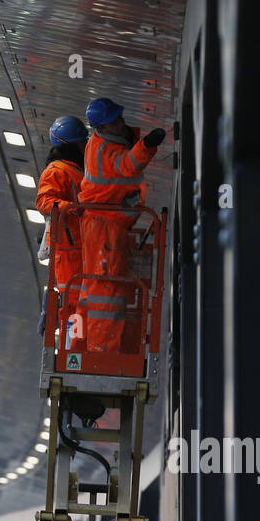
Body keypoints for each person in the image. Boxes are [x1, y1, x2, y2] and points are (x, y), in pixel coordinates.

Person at [79, 97, 166, 354]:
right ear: (101, 128)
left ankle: (94, 349)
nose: (120, 124)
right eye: (113, 122)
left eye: (118, 119)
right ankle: (101, 353)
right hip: (103, 227)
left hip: (105, 226)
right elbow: (127, 167)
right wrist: (146, 146)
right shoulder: (104, 150)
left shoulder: (104, 142)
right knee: (106, 289)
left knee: (104, 286)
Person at [36, 115, 89, 348]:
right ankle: (72, 348)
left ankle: (77, 345)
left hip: (81, 246)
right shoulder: (56, 171)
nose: (84, 146)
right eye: (81, 142)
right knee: (73, 301)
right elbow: (44, 202)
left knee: (81, 301)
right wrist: (73, 209)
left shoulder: (74, 170)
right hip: (69, 250)